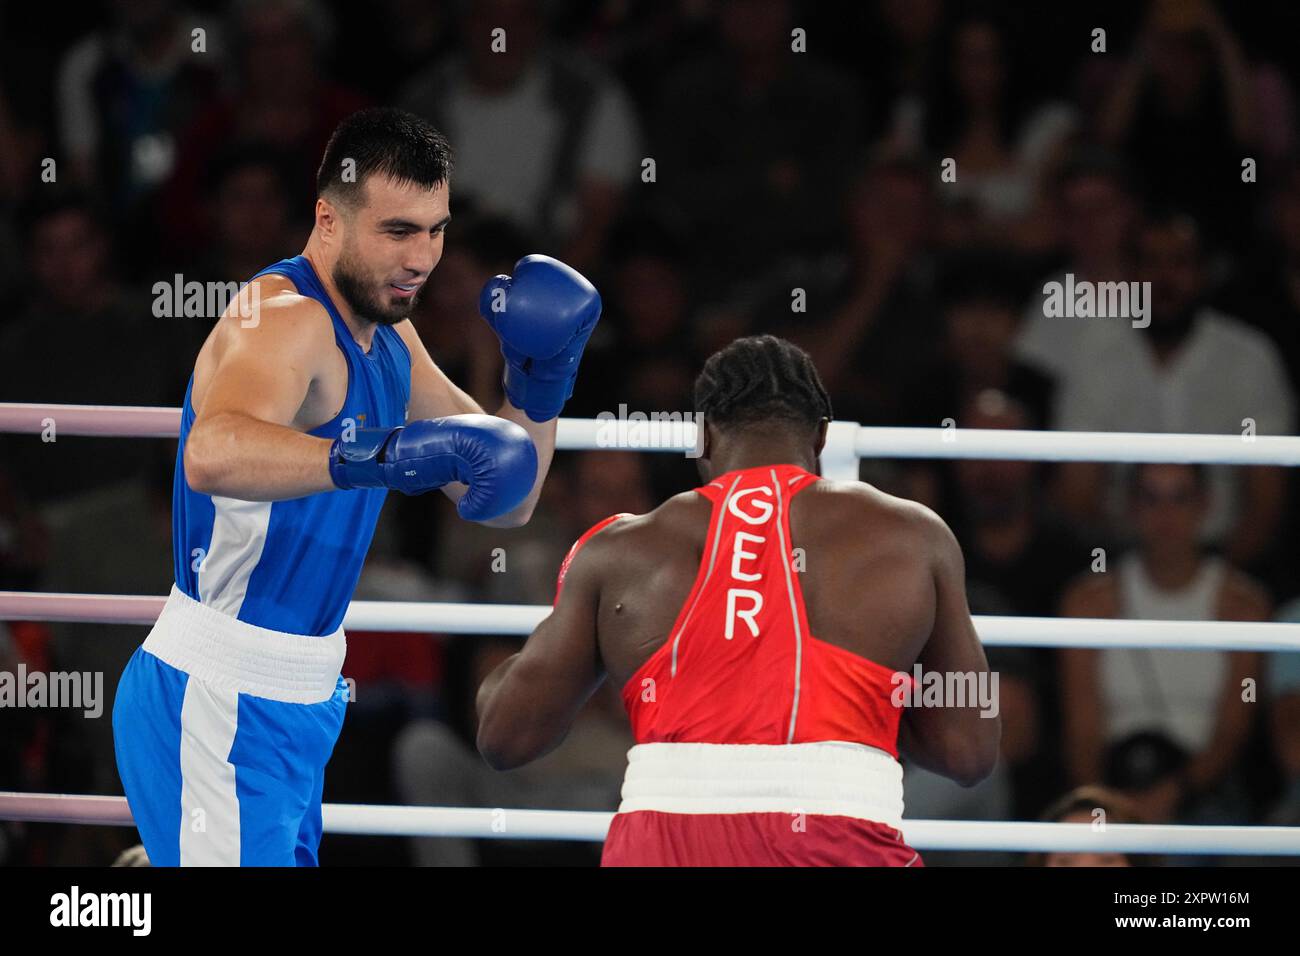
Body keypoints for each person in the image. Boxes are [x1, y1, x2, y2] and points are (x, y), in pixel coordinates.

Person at [112, 107, 602, 867]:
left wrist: (538, 391)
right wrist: (374, 454)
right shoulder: (281, 317)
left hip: (298, 695)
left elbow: (511, 494)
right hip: (219, 694)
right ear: (328, 220)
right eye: (397, 231)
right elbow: (210, 452)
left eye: (436, 230)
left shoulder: (390, 333)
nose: (422, 258)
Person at [476, 335, 999, 866]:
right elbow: (969, 750)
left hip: (664, 847)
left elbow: (504, 738)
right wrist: (863, 693)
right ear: (821, 437)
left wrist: (516, 668)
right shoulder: (913, 535)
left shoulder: (619, 551)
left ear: (700, 439)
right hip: (840, 841)